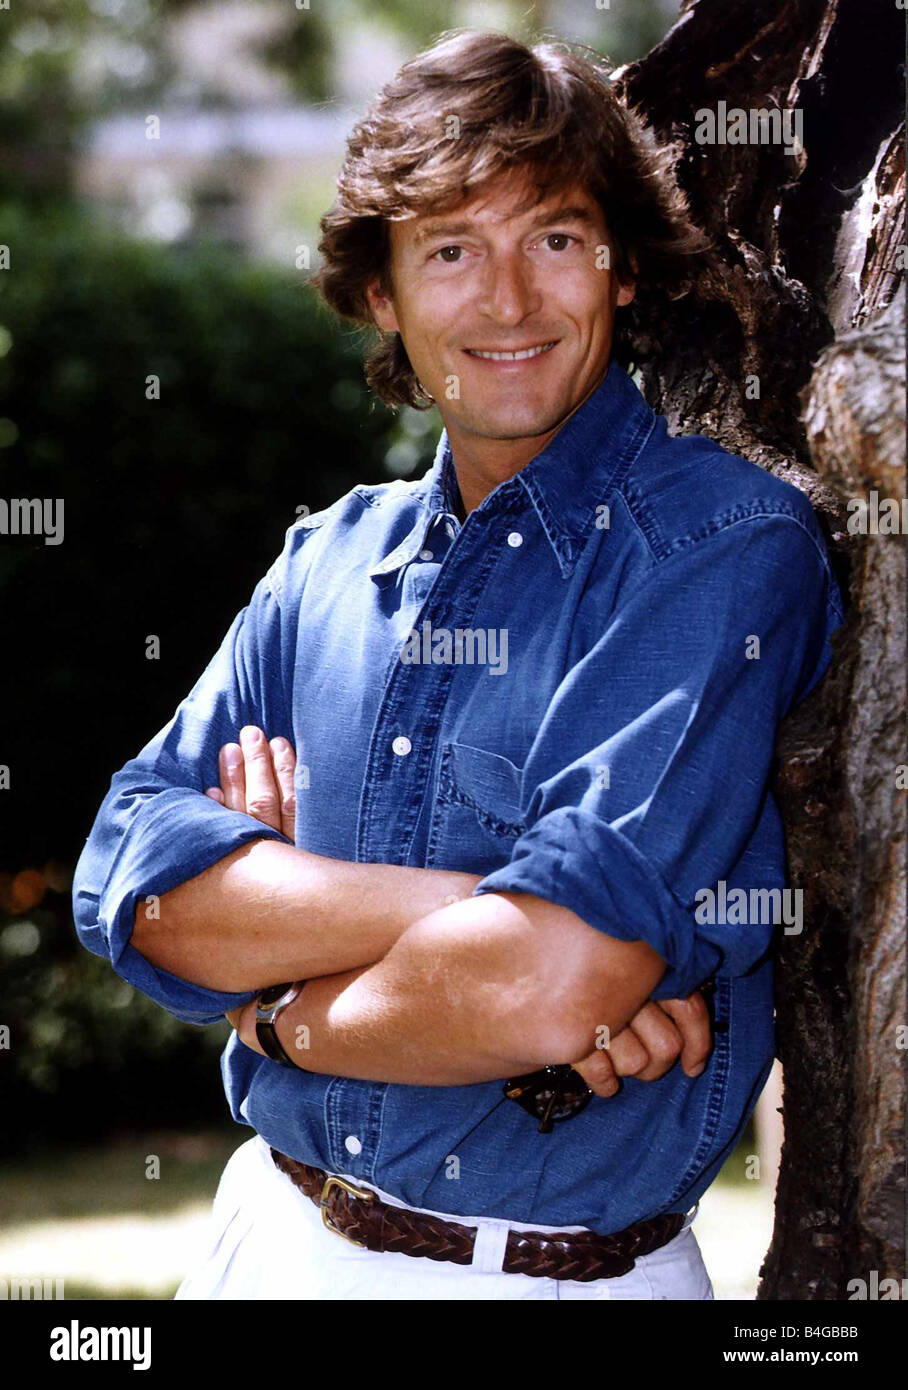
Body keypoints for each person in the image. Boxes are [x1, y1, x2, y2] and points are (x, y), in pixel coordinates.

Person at [73, 29, 844, 1300]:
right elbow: (132, 880)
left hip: (541, 1281)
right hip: (263, 1237)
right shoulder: (326, 563)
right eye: (447, 249)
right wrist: (482, 909)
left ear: (622, 269)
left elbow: (550, 983)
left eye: (551, 236)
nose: (505, 301)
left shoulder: (719, 549)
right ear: (380, 292)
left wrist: (276, 998)